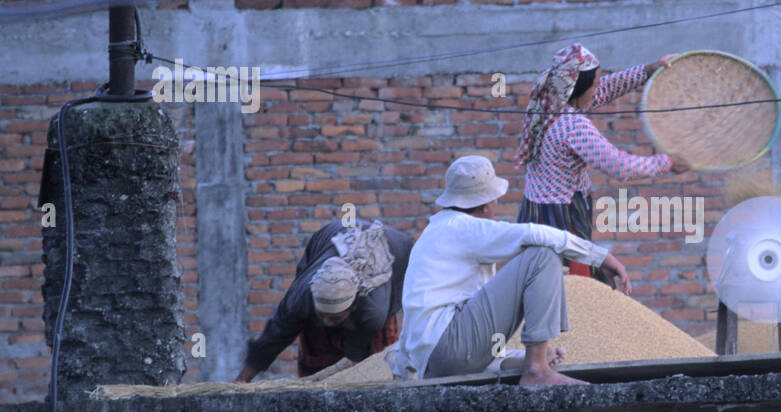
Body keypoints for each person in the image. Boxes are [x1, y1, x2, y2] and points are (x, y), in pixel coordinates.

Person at [389, 155, 630, 388]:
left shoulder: (433, 236)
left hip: (437, 364)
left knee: (538, 258)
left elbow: (422, 327)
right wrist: (601, 257)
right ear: (486, 206)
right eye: (495, 201)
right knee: (543, 254)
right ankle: (537, 371)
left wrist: (521, 356)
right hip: (451, 350)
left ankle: (533, 362)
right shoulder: (464, 229)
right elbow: (536, 234)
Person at [514, 43, 691, 285]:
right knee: (571, 289)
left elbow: (604, 89)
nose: (599, 88)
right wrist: (667, 162)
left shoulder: (548, 98)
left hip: (534, 211)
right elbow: (620, 166)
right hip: (560, 219)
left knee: (539, 281)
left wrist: (648, 69)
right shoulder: (572, 126)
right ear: (578, 87)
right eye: (595, 83)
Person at [236, 218, 413, 381]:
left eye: (334, 317)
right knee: (316, 354)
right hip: (332, 237)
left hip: (391, 261)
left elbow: (354, 356)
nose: (327, 323)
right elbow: (275, 334)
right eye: (322, 315)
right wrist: (241, 382)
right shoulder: (302, 294)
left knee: (373, 371)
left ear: (352, 306)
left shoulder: (373, 312)